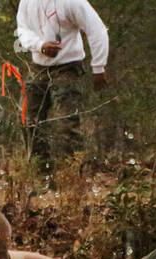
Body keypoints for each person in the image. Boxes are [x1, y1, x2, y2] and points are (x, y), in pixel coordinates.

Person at [14, 0, 110, 173]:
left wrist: (99, 67)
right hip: (38, 67)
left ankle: (71, 173)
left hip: (69, 66)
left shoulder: (72, 2)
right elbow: (22, 29)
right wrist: (40, 46)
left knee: (66, 122)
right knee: (29, 121)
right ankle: (41, 173)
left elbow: (96, 29)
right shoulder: (27, 2)